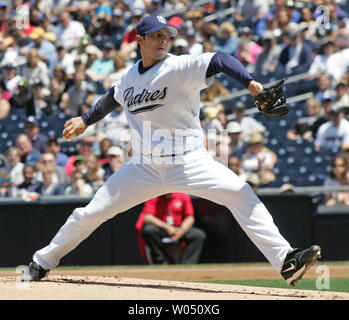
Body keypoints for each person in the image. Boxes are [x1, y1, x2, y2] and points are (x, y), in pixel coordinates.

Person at [21, 15, 321, 286]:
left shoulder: (179, 66)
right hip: (144, 167)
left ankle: (286, 261)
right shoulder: (128, 77)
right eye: (157, 35)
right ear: (140, 41)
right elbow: (111, 98)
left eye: (168, 35)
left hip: (191, 162)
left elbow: (220, 59)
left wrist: (252, 83)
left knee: (241, 194)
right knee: (89, 213)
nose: (164, 40)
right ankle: (41, 262)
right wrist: (86, 120)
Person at [135, 193, 206, 264]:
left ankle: (187, 264)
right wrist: (167, 228)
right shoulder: (154, 196)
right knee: (149, 230)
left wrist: (182, 230)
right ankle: (161, 262)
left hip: (179, 229)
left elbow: (190, 217)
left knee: (198, 235)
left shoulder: (182, 195)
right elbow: (148, 217)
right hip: (162, 228)